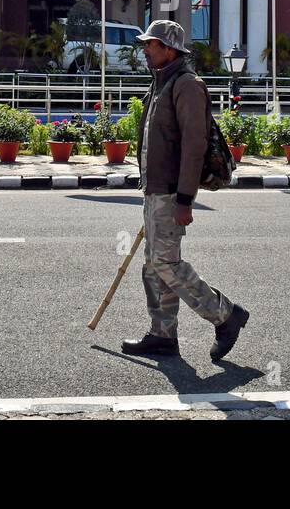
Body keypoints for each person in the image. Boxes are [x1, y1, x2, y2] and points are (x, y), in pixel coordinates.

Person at [120, 19, 249, 361]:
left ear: (169, 49)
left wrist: (184, 199)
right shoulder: (160, 84)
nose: (146, 49)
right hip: (155, 189)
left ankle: (225, 315)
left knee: (166, 264)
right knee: (153, 265)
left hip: (172, 192)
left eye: (152, 44)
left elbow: (194, 146)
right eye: (146, 44)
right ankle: (162, 334)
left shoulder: (188, 85)